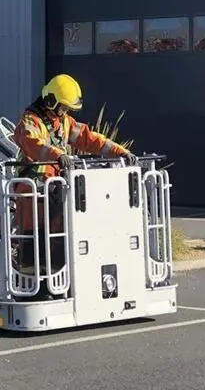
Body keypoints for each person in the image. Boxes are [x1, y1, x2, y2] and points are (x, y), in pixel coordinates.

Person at [10, 74, 137, 281]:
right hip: (32, 189)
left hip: (56, 188)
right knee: (34, 235)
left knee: (60, 232)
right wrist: (58, 155)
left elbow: (90, 139)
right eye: (64, 107)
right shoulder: (30, 122)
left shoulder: (64, 122)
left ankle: (61, 279)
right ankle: (33, 285)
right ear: (51, 101)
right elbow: (33, 144)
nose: (66, 112)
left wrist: (119, 152)